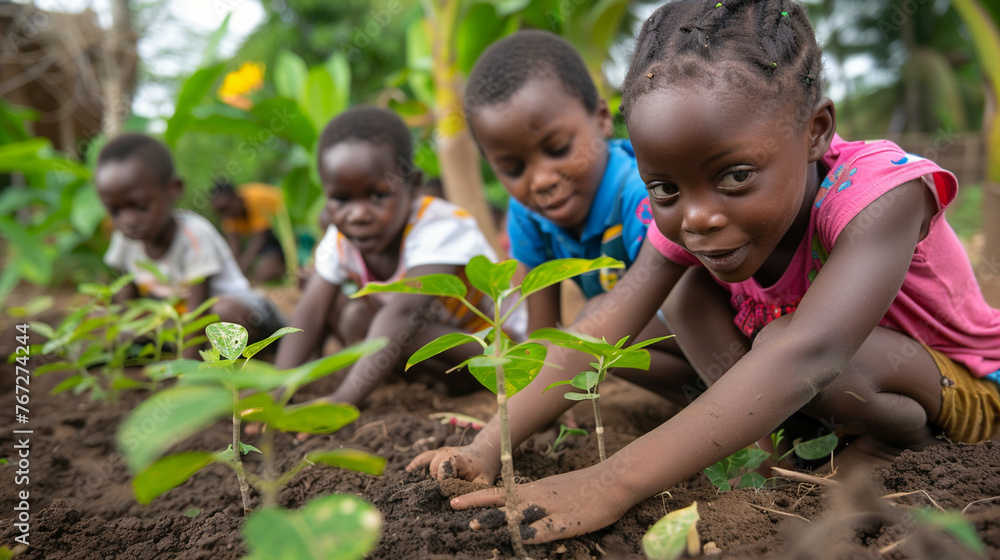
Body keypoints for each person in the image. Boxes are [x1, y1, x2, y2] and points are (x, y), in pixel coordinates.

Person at [407, 0, 1000, 544]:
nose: (697, 217)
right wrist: (489, 445)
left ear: (815, 130)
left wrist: (611, 481)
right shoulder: (697, 219)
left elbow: (809, 353)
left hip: (957, 389)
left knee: (794, 344)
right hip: (811, 389)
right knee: (686, 293)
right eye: (664, 188)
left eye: (735, 175)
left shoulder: (881, 195)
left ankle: (899, 445)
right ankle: (767, 457)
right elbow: (599, 329)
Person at [463, 29, 697, 404]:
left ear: (602, 118)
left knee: (593, 322)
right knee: (589, 331)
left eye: (557, 149)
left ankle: (727, 401)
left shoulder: (641, 195)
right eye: (512, 167)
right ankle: (701, 402)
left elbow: (693, 303)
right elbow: (542, 330)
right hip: (636, 339)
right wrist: (535, 402)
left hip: (708, 333)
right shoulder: (527, 214)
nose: (540, 180)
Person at [273, 106, 526, 407]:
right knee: (355, 317)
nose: (357, 215)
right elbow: (311, 312)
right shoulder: (340, 239)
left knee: (395, 326)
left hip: (489, 355)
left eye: (378, 195)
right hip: (422, 353)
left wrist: (342, 400)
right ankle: (419, 384)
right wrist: (276, 390)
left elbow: (404, 314)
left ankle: (378, 389)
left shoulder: (441, 225)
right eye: (341, 199)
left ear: (413, 186)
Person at [96, 134, 285, 355]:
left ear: (173, 188)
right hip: (178, 318)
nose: (128, 221)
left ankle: (257, 346)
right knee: (119, 322)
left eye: (139, 206)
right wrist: (119, 337)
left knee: (223, 314)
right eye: (115, 211)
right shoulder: (124, 239)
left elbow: (198, 312)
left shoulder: (194, 235)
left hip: (240, 312)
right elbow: (125, 297)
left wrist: (186, 373)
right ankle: (181, 347)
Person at [209, 180, 286, 283]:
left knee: (267, 271)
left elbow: (259, 239)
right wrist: (234, 273)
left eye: (225, 208)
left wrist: (242, 268)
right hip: (268, 239)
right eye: (219, 212)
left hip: (283, 229)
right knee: (262, 273)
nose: (224, 215)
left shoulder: (256, 198)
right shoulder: (228, 215)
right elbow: (234, 247)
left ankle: (286, 270)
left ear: (235, 198)